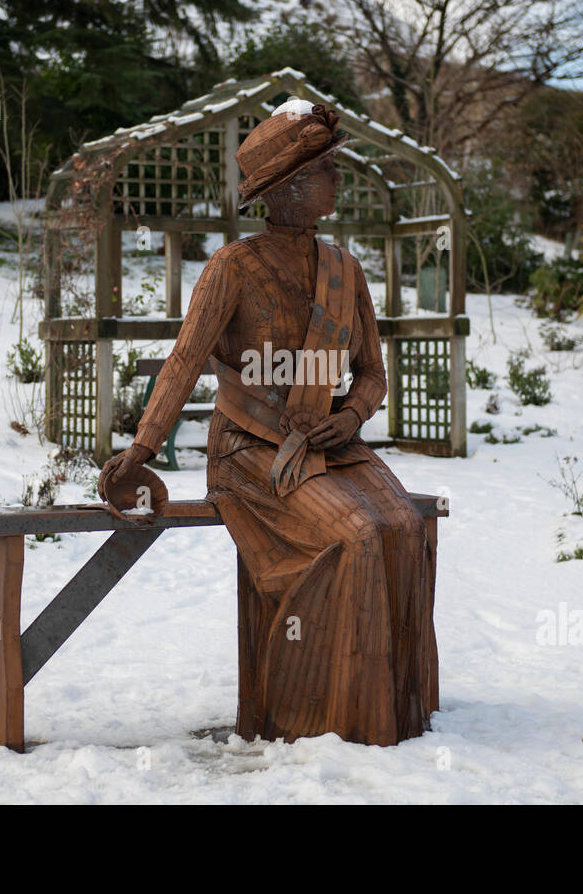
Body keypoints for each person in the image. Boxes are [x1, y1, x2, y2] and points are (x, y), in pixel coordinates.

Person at [99, 101, 438, 746]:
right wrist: (142, 449)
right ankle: (323, 713)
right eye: (325, 169)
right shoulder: (233, 267)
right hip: (248, 452)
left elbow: (372, 376)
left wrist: (352, 415)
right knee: (360, 533)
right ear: (285, 191)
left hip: (326, 444)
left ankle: (398, 709)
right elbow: (184, 361)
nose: (338, 179)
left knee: (404, 526)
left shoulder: (346, 270)